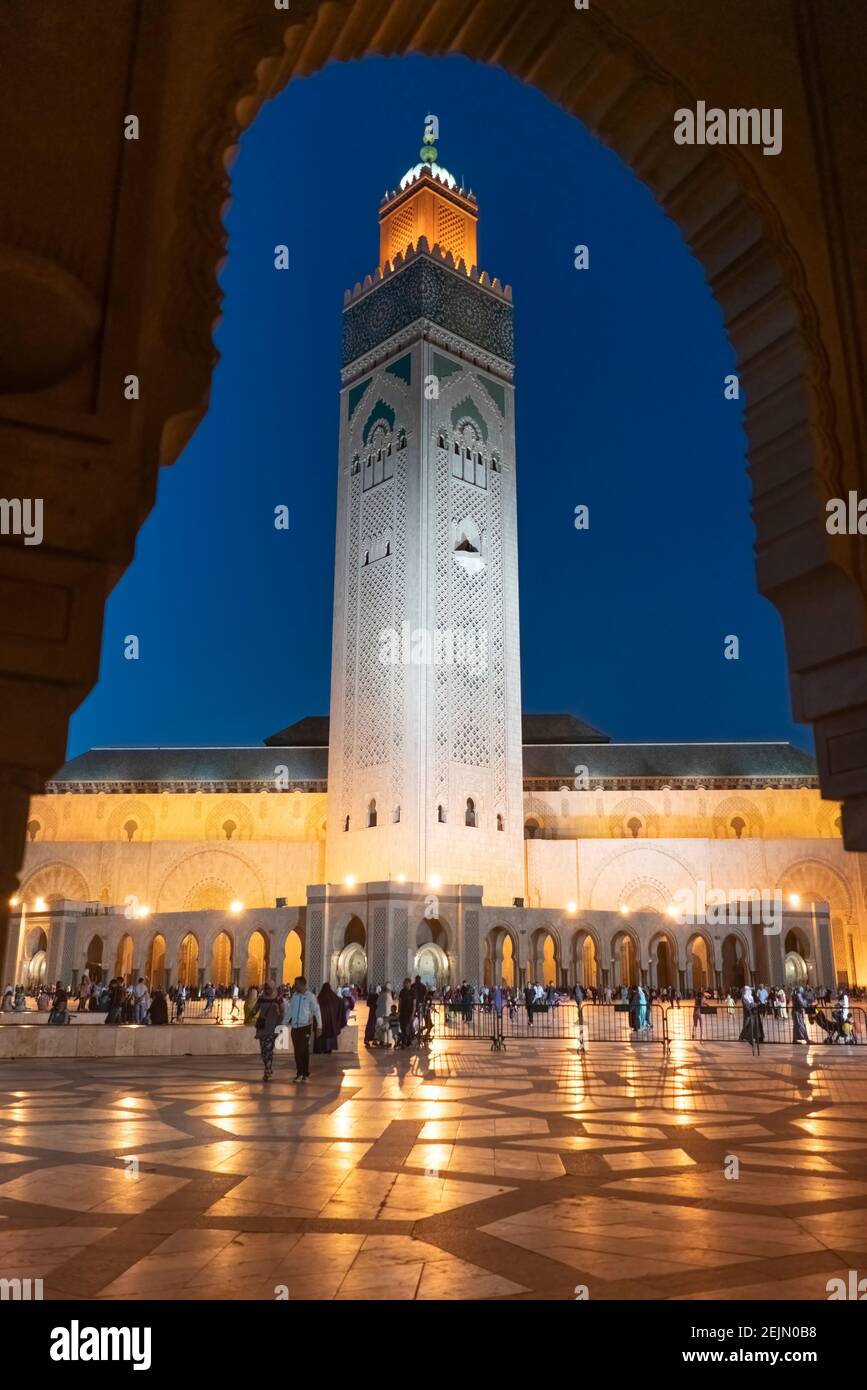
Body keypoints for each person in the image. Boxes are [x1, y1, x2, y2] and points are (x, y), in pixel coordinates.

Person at [284, 975, 322, 1082]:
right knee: (297, 1051)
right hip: (295, 1028)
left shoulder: (310, 996)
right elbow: (290, 1011)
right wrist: (283, 1023)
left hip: (305, 1027)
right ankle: (299, 1073)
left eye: (296, 984)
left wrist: (319, 1026)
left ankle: (305, 1073)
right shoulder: (295, 997)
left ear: (302, 984)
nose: (294, 986)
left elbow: (317, 1011)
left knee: (303, 1050)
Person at [252, 982, 283, 1082]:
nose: (267, 991)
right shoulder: (262, 998)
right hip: (262, 1027)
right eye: (266, 989)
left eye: (269, 989)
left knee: (268, 1049)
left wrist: (280, 1026)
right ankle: (267, 1067)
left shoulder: (278, 999)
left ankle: (268, 1070)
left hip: (273, 1027)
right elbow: (255, 1010)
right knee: (263, 1050)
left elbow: (283, 1013)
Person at [314, 982, 344, 1055]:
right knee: (329, 1039)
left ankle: (320, 1049)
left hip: (321, 1024)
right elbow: (341, 1002)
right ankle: (328, 1048)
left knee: (321, 1038)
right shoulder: (335, 999)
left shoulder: (319, 998)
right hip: (331, 1025)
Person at [397, 977, 415, 1047]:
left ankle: (405, 1041)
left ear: (410, 984)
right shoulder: (402, 991)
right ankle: (407, 1040)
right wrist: (398, 1011)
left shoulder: (413, 992)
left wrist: (413, 1014)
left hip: (409, 1013)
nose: (405, 985)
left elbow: (414, 1004)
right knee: (402, 1027)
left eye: (407, 983)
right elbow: (400, 1002)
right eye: (404, 983)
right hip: (402, 1012)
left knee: (407, 1027)